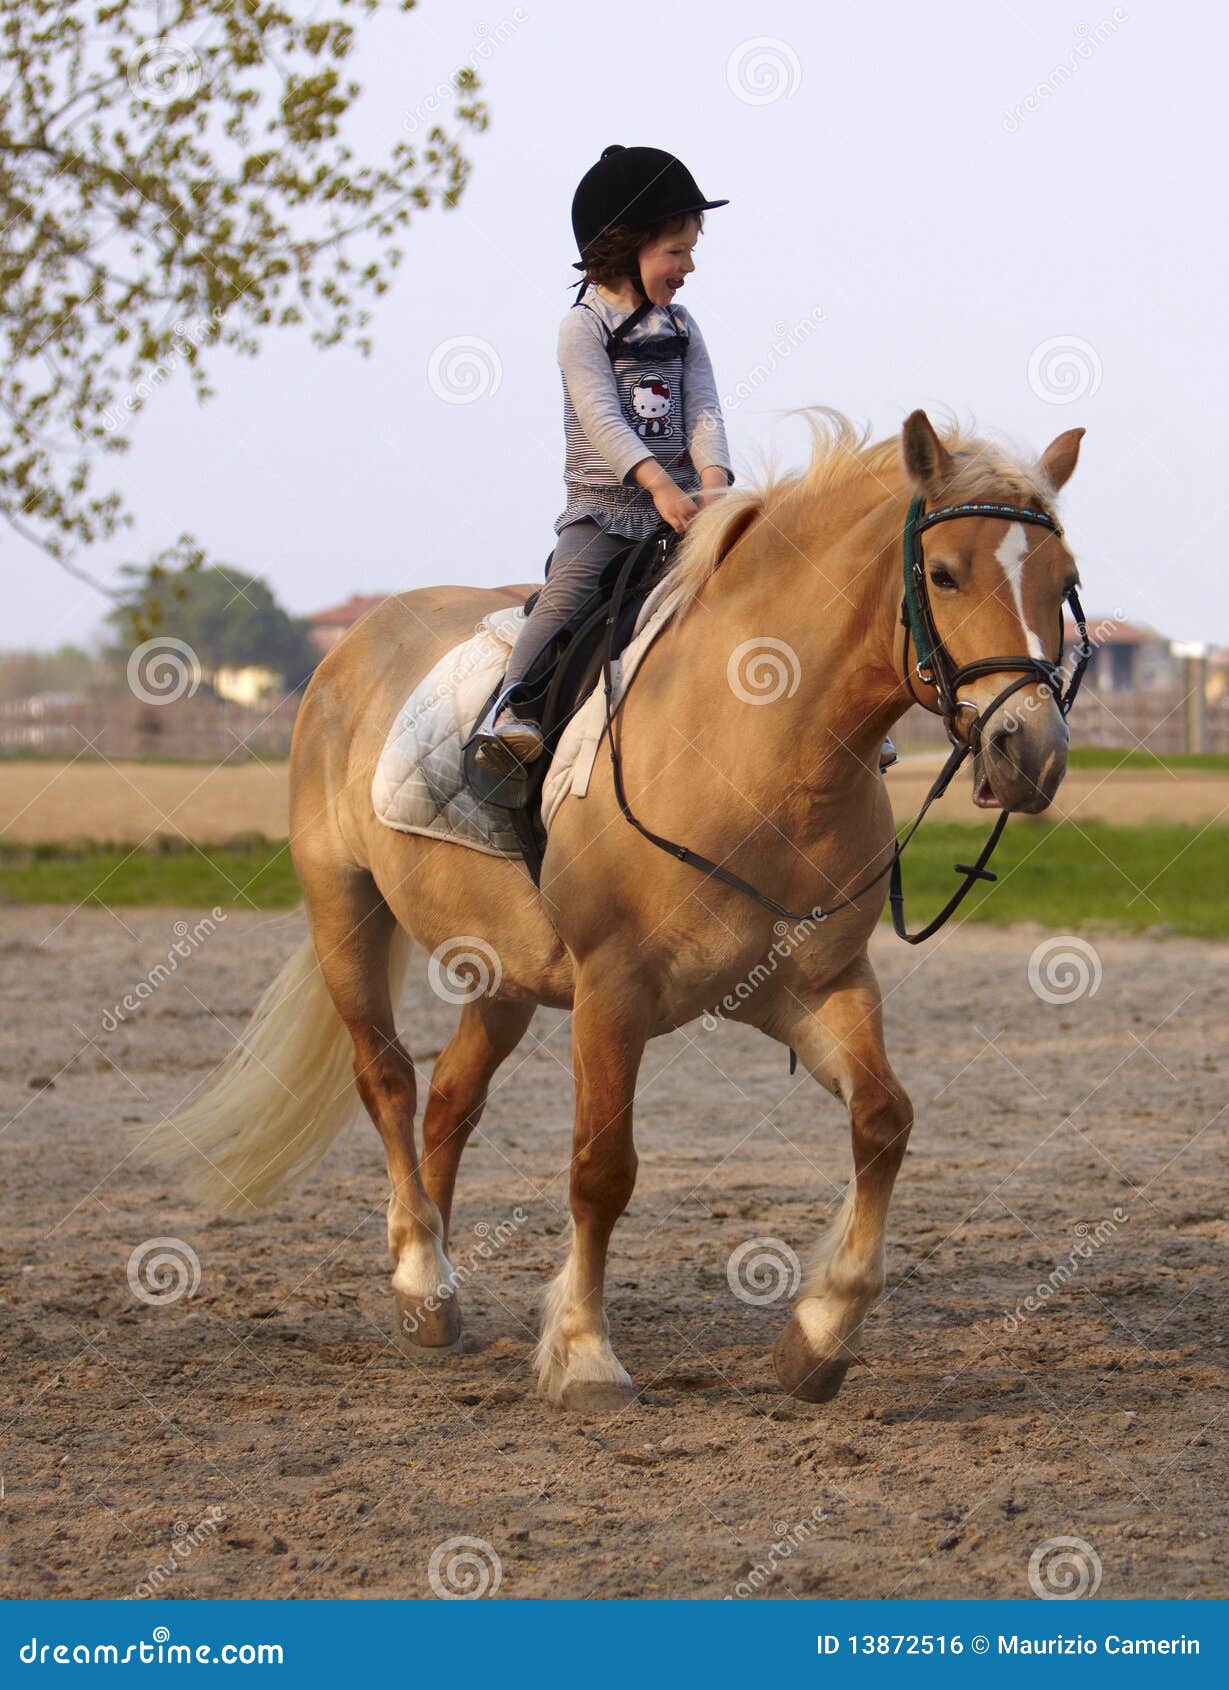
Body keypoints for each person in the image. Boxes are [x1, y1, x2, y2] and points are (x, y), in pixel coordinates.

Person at [474, 143, 896, 776]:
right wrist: (658, 487)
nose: (689, 266)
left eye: (691, 251)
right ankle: (510, 707)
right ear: (624, 247)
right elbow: (604, 420)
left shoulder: (683, 325)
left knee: (768, 585)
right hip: (606, 512)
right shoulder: (581, 330)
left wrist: (715, 486)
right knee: (565, 596)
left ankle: (828, 713)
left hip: (689, 509)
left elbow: (704, 411)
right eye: (676, 251)